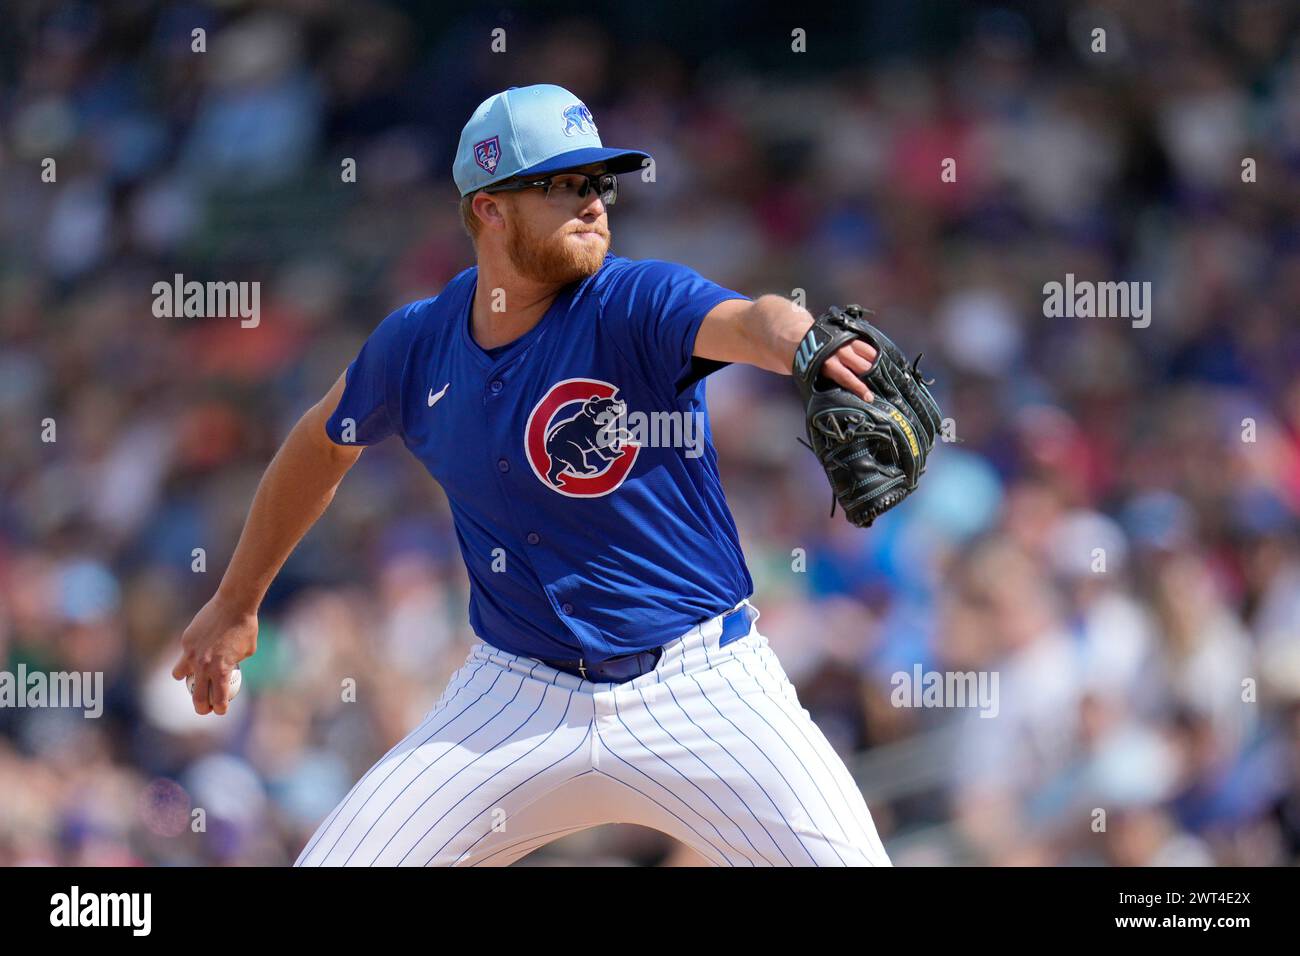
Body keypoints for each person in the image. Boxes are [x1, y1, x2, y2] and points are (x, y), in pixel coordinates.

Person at [172, 83, 890, 866]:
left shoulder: (632, 301)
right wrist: (237, 602)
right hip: (515, 697)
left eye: (598, 184)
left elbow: (753, 319)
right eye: (563, 185)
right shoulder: (416, 345)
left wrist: (805, 344)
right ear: (489, 207)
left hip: (703, 683)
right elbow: (320, 445)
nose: (593, 205)